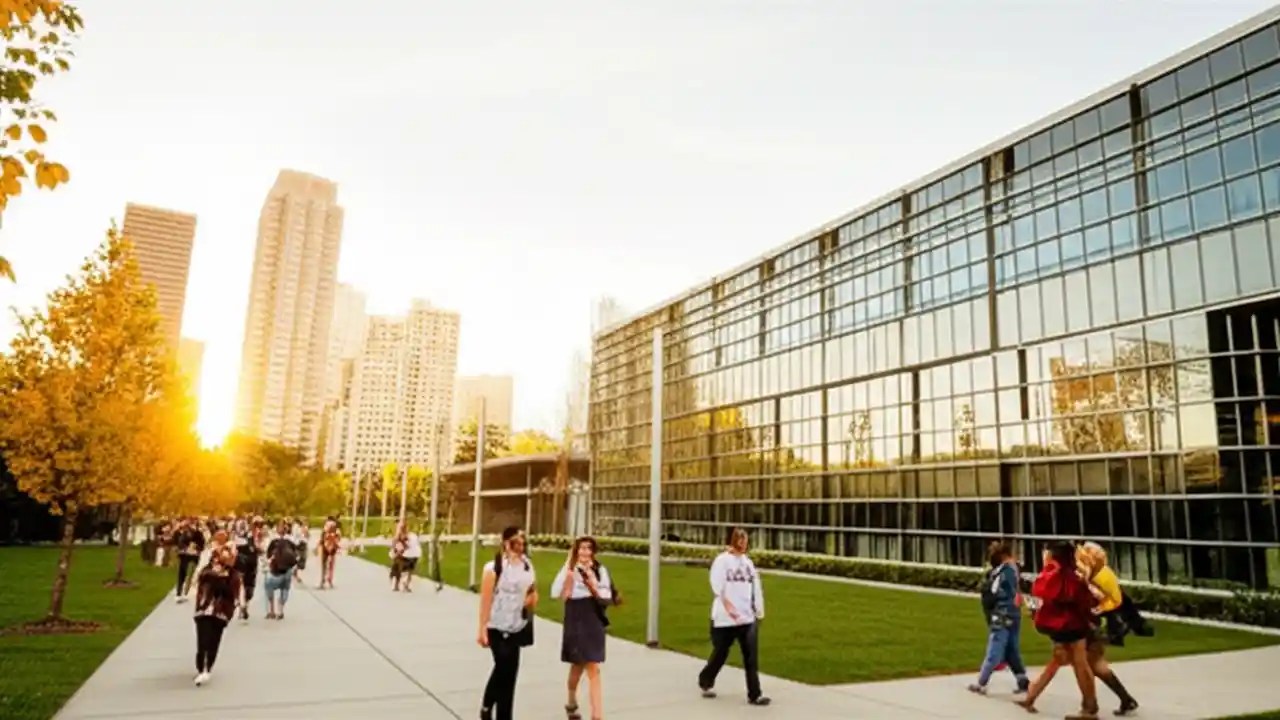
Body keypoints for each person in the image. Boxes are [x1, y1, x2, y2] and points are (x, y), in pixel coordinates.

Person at [1016, 541, 1098, 718]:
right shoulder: (1075, 576)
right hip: (1076, 625)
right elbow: (1086, 600)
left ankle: (1089, 708)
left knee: (1071, 662)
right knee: (1073, 662)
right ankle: (1088, 706)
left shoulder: (1053, 574)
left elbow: (1039, 591)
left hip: (1061, 625)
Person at [698, 527, 770, 707]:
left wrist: (758, 611)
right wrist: (730, 609)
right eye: (740, 540)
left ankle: (755, 694)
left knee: (751, 657)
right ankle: (706, 680)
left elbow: (756, 588)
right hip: (725, 619)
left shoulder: (748, 564)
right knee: (721, 653)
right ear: (733, 540)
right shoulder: (722, 561)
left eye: (745, 540)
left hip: (747, 619)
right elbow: (717, 588)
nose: (744, 544)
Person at [553, 536, 618, 720]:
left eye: (589, 549)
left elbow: (607, 595)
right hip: (575, 616)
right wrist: (568, 575)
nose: (585, 552)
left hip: (593, 617)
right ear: (576, 551)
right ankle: (571, 699)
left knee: (593, 665)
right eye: (581, 549)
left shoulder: (600, 570)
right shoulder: (569, 569)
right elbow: (555, 592)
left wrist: (593, 583)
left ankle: (597, 715)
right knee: (577, 665)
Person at [477, 526, 537, 720]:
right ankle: (488, 707)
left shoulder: (527, 565)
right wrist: (482, 628)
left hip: (517, 625)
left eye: (522, 542)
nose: (519, 547)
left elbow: (532, 590)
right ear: (505, 543)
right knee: (503, 668)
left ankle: (500, 713)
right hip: (496, 626)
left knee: (510, 674)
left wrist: (532, 598)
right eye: (515, 542)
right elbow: (486, 599)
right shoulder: (493, 567)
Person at [1077, 542, 1140, 716]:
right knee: (1094, 664)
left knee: (1093, 665)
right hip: (1100, 625)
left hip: (1097, 626)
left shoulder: (1097, 579)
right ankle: (1124, 699)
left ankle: (1094, 704)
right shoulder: (1100, 575)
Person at [968, 540, 1029, 695]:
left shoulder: (1004, 571)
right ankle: (1022, 680)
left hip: (1002, 614)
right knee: (1011, 649)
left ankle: (982, 682)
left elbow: (995, 592)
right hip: (1014, 613)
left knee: (995, 646)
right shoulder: (1014, 569)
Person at [193, 545, 242, 687]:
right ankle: (201, 668)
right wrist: (215, 575)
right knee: (202, 641)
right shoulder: (206, 572)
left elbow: (230, 594)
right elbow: (202, 581)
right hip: (203, 611)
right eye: (216, 558)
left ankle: (208, 668)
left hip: (220, 613)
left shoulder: (233, 576)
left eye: (223, 559)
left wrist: (220, 579)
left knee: (214, 641)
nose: (218, 562)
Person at [263, 522, 297, 620]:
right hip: (287, 570)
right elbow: (295, 555)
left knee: (268, 588)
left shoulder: (273, 541)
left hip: (274, 570)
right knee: (285, 589)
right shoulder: (291, 540)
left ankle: (271, 611)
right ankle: (280, 611)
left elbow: (268, 554)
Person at [233, 523, 262, 621]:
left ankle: (242, 605)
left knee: (241, 586)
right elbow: (260, 550)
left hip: (241, 566)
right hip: (250, 565)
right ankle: (244, 605)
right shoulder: (252, 539)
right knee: (248, 586)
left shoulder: (236, 540)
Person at [174, 518, 205, 603]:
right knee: (181, 574)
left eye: (194, 524)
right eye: (190, 525)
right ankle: (179, 593)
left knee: (190, 574)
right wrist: (186, 548)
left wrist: (196, 548)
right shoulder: (183, 534)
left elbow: (202, 544)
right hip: (184, 556)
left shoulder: (199, 534)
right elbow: (180, 543)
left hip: (194, 557)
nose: (192, 526)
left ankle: (185, 593)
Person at [318, 517, 342, 590]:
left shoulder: (325, 527)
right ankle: (329, 580)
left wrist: (321, 544)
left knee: (324, 565)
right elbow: (338, 538)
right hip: (332, 548)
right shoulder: (337, 529)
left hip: (325, 548)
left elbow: (322, 538)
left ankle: (323, 581)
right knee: (331, 565)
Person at [389, 524, 409, 592]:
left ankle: (399, 585)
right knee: (396, 571)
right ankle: (396, 585)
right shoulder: (397, 538)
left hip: (402, 556)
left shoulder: (405, 537)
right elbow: (394, 546)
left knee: (401, 571)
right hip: (398, 556)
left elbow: (407, 546)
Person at [292, 518, 309, 583]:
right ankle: (295, 574)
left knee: (303, 561)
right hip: (297, 544)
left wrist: (306, 532)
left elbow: (307, 536)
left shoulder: (305, 528)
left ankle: (294, 572)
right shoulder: (296, 527)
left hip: (303, 544)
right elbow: (295, 535)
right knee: (297, 559)